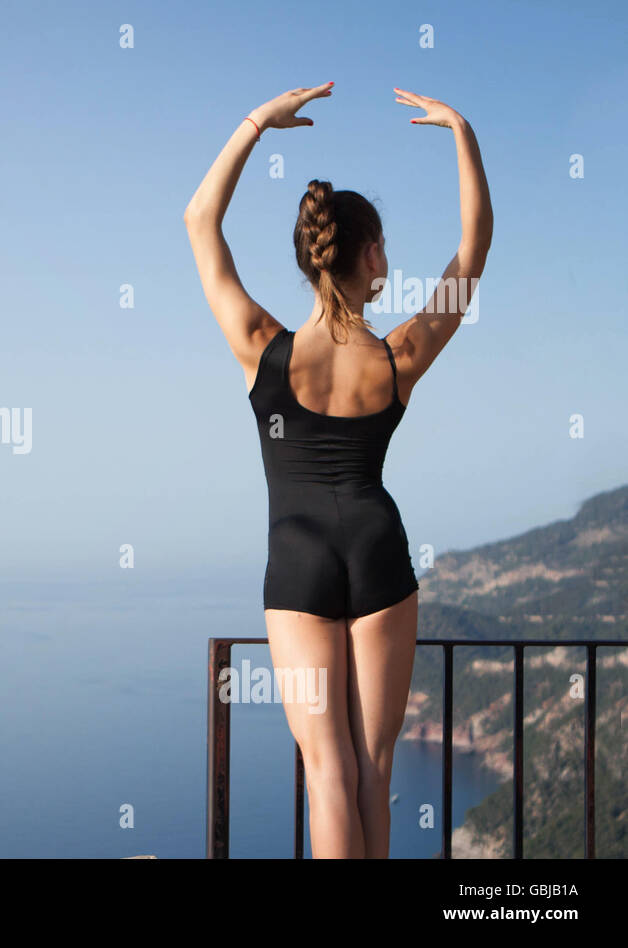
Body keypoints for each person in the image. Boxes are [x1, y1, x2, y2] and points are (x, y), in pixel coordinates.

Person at [184, 83, 492, 857]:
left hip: (297, 560)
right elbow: (475, 244)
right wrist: (462, 132)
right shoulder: (398, 357)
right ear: (364, 254)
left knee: (325, 769)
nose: (389, 256)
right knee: (374, 767)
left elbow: (198, 221)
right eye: (382, 243)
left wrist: (256, 122)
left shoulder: (262, 343)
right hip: (379, 548)